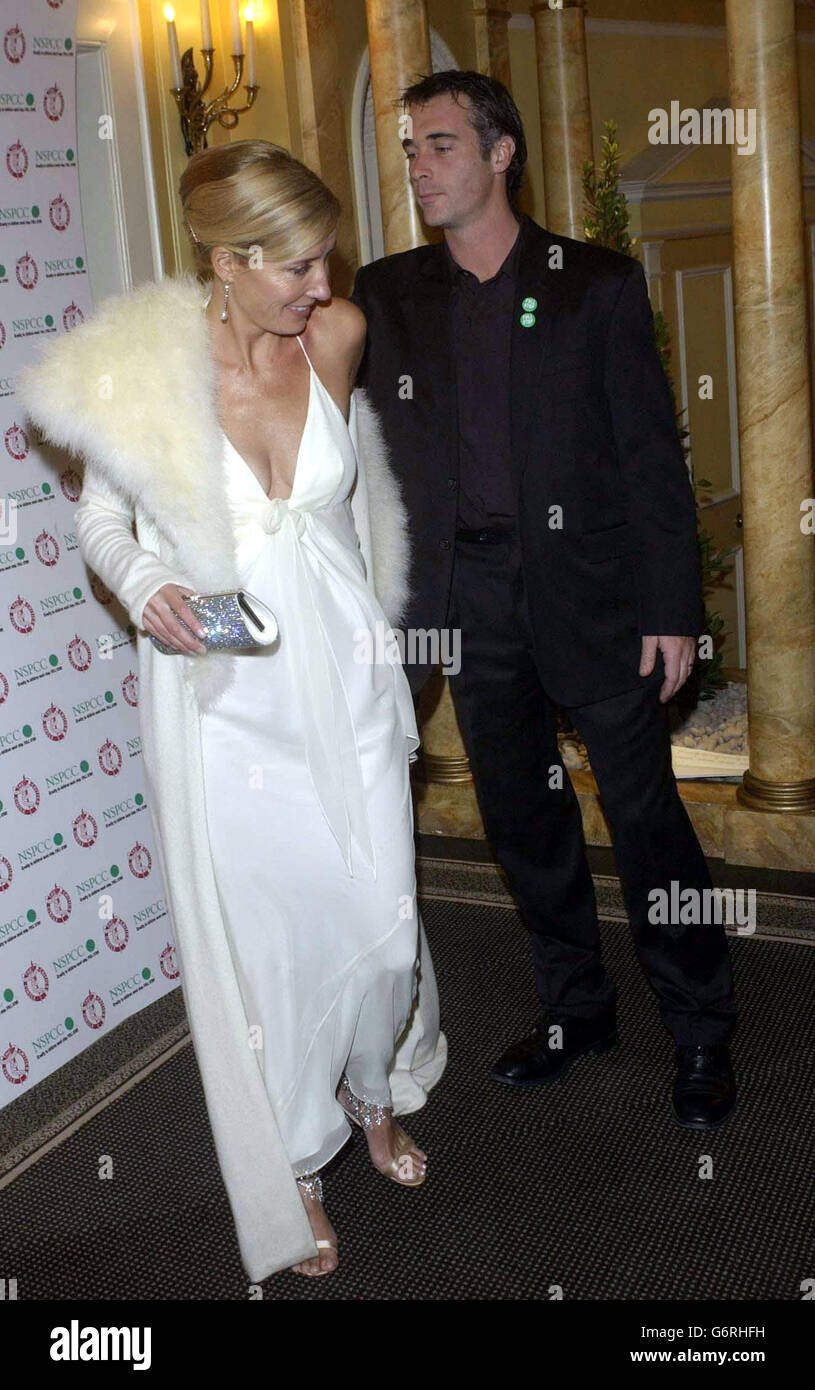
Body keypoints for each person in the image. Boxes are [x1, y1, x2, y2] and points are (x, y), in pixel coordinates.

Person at [18, 140, 447, 1280]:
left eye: (326, 260)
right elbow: (100, 522)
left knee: (382, 918)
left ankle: (371, 1091)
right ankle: (297, 1158)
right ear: (225, 259)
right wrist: (152, 586)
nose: (323, 285)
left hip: (341, 672)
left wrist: (385, 651)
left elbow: (347, 516)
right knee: (275, 945)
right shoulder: (148, 374)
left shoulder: (338, 338)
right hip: (227, 700)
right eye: (298, 266)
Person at [351, 72, 737, 1130]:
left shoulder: (593, 283)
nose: (418, 166)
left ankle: (700, 1024)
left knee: (648, 818)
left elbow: (650, 458)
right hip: (464, 595)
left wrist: (671, 606)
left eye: (437, 144)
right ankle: (576, 1012)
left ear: (499, 152)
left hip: (597, 594)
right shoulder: (383, 294)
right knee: (523, 820)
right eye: (409, 149)